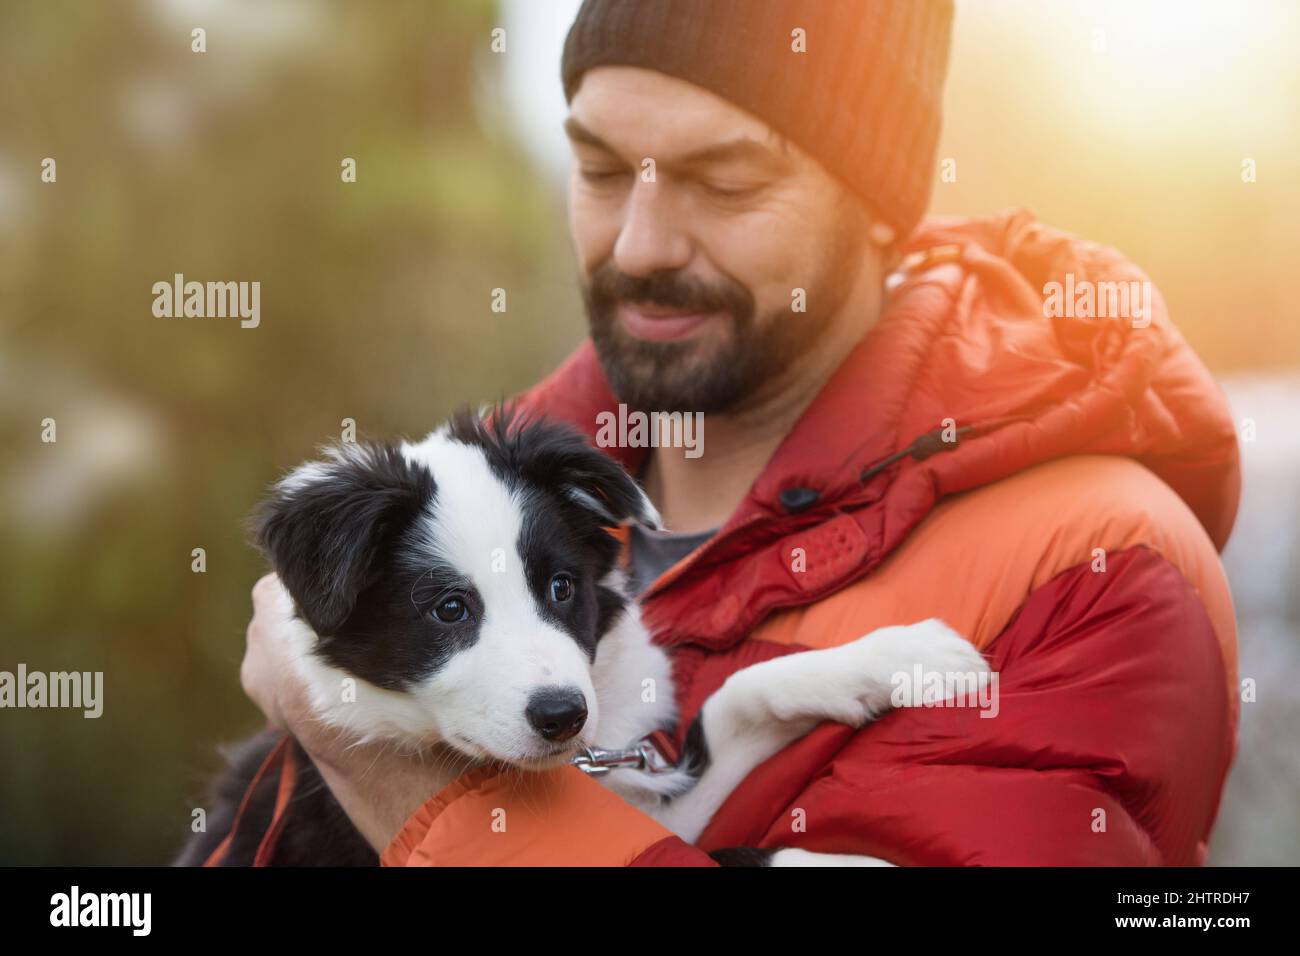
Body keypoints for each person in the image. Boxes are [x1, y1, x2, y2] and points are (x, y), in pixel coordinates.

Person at [240, 0, 1241, 865]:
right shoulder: (473, 497)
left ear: (881, 208)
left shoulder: (1097, 569)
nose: (639, 243)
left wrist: (380, 769)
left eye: (721, 182)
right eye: (598, 169)